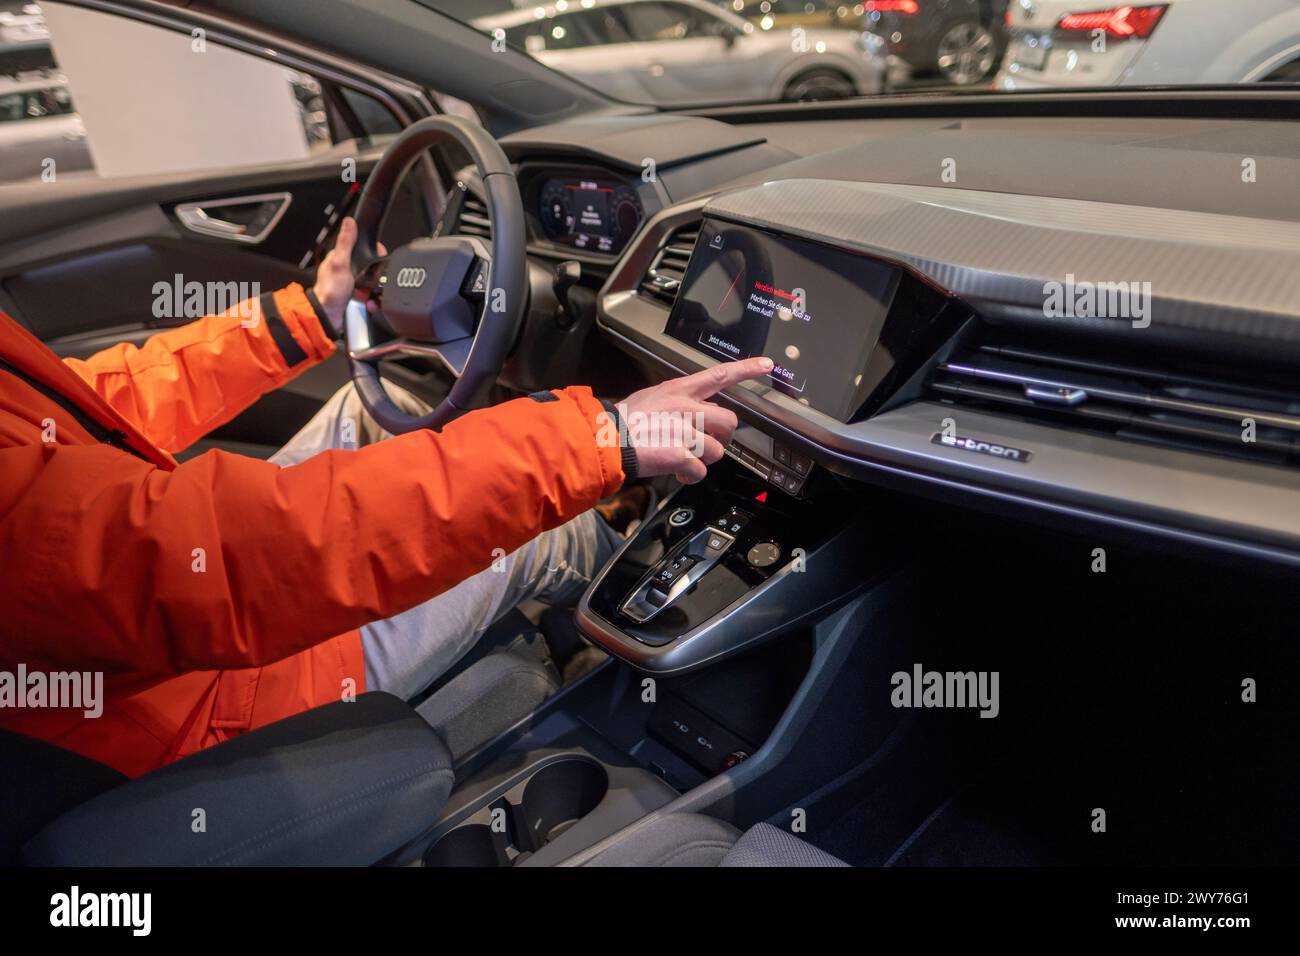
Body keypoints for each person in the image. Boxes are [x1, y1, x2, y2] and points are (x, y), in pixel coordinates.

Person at [0, 217, 771, 777]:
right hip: (212, 704)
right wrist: (602, 440)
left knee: (359, 412)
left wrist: (308, 316)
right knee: (534, 537)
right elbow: (246, 554)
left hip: (143, 668)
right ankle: (636, 562)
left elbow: (85, 406)